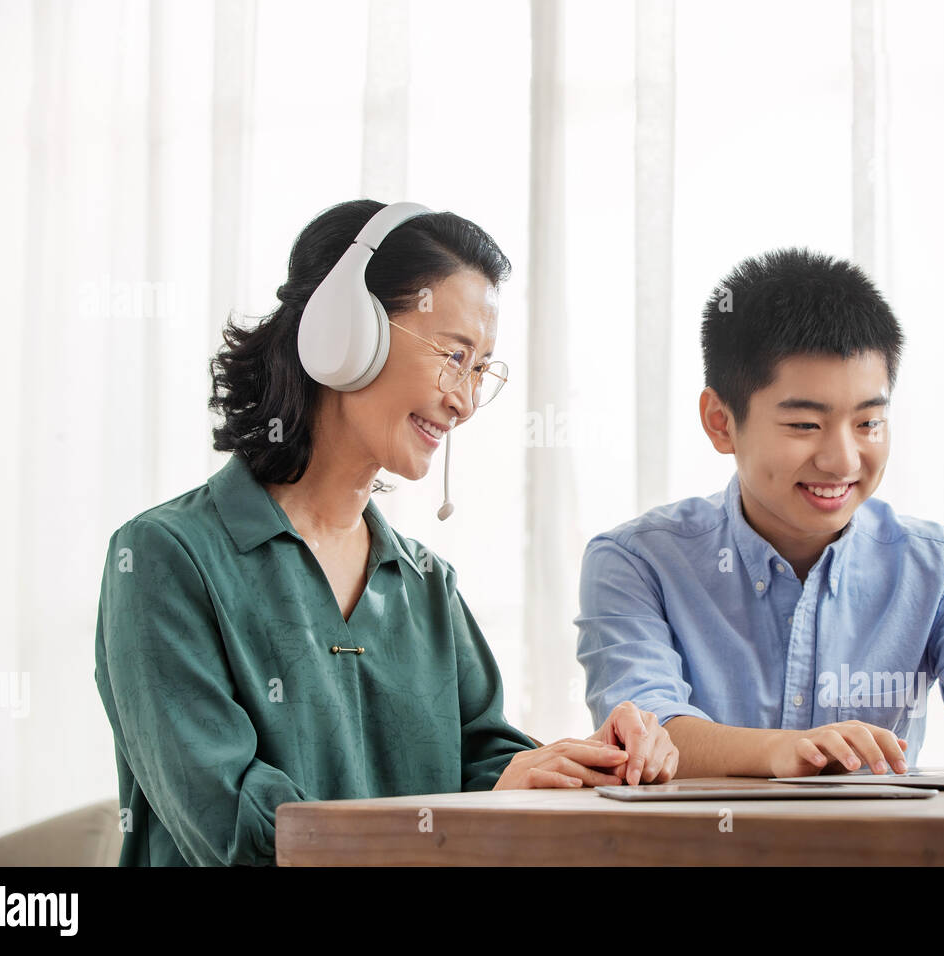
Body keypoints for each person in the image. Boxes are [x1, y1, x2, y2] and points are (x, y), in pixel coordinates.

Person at [94, 200, 678, 867]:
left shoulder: (425, 583)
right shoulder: (165, 559)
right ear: (347, 332)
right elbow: (241, 834)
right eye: (454, 356)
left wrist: (593, 764)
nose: (464, 399)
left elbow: (483, 766)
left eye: (481, 370)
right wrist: (466, 823)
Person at [576, 247, 944, 780]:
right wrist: (786, 751)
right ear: (721, 422)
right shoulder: (636, 561)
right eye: (805, 425)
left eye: (868, 423)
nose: (843, 461)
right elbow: (647, 733)